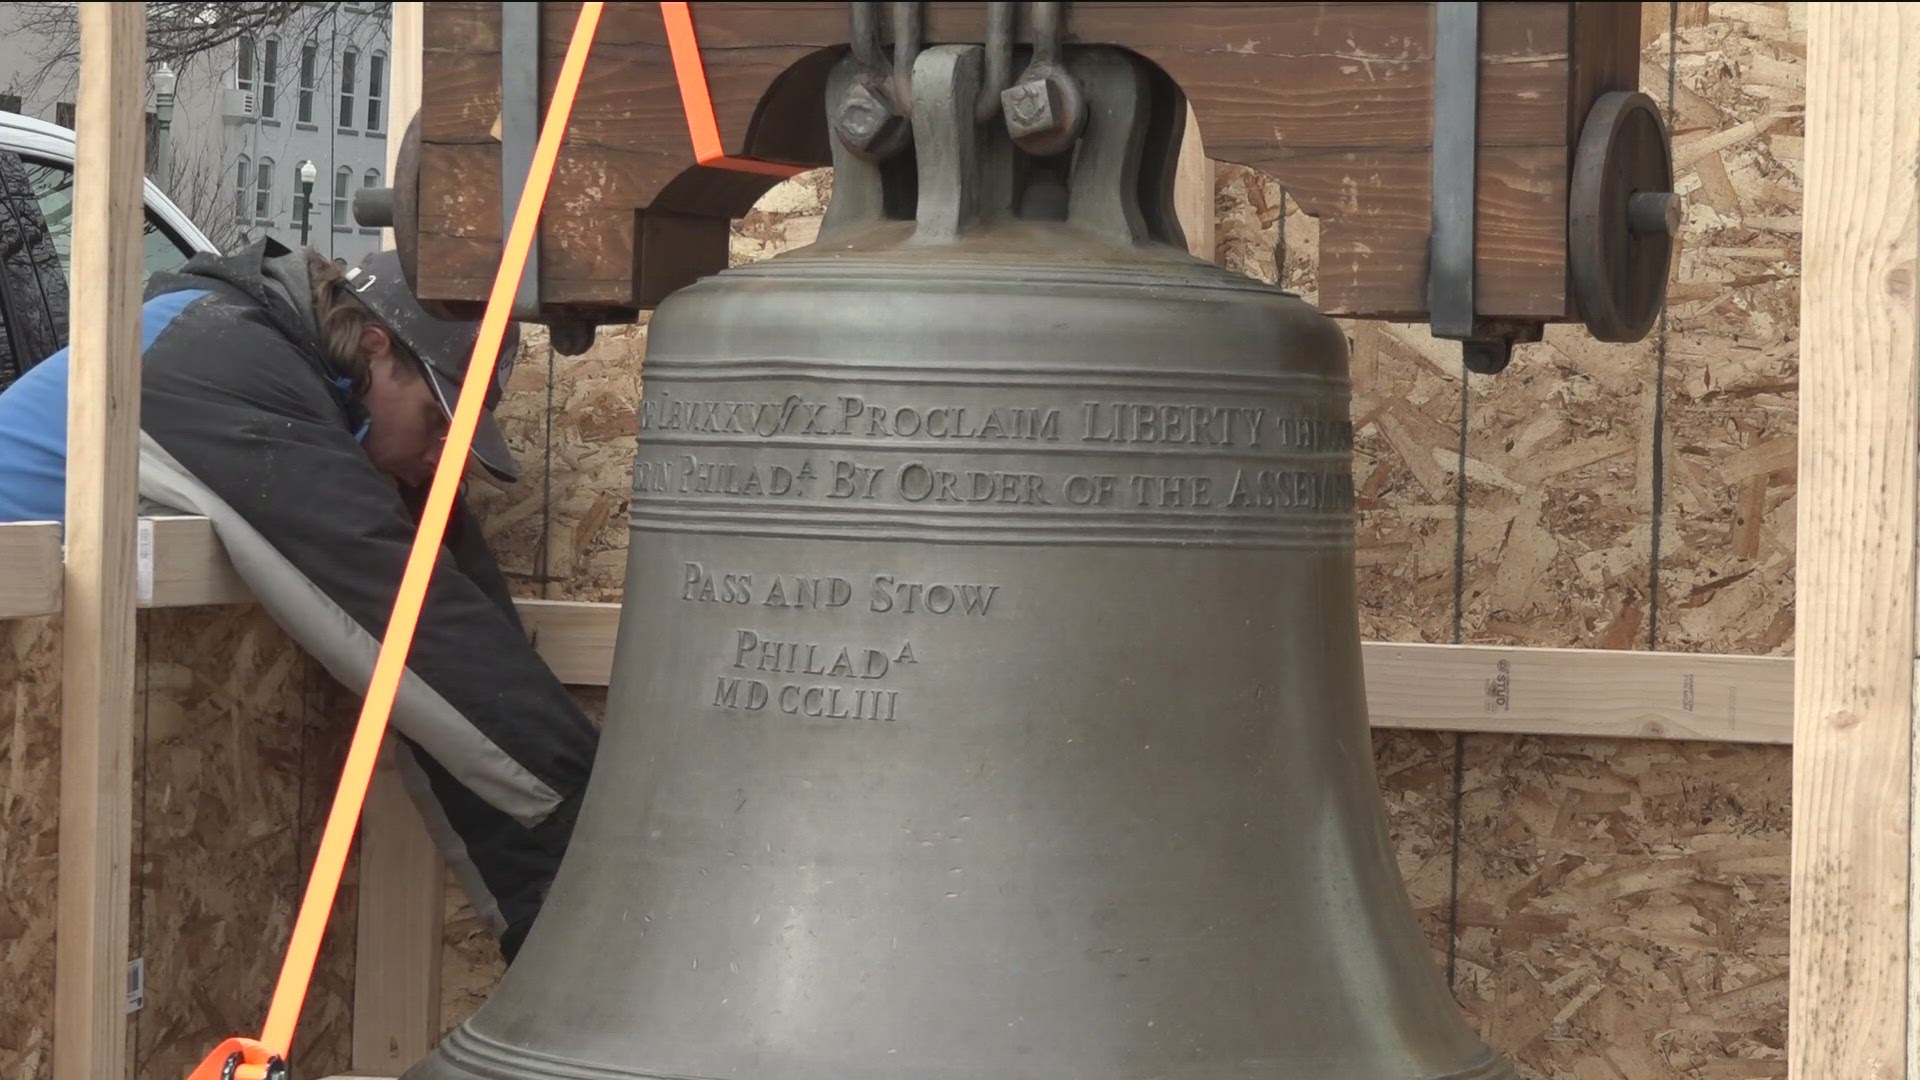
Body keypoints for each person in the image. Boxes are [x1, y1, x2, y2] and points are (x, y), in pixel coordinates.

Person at [0, 237, 599, 963]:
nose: (444, 452)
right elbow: (406, 622)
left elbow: (461, 617)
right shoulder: (220, 358)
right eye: (438, 420)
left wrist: (545, 918)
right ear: (375, 347)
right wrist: (599, 822)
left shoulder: (311, 388)